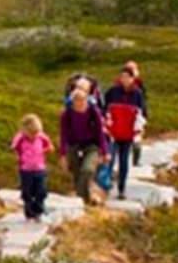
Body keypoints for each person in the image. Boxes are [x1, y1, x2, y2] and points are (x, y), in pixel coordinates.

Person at [58, 85, 108, 204]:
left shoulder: (93, 112)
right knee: (76, 172)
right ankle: (85, 200)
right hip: (74, 144)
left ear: (87, 100)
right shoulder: (67, 114)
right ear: (72, 101)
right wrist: (63, 155)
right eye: (76, 100)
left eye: (82, 100)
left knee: (87, 170)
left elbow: (100, 133)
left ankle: (79, 198)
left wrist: (105, 152)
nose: (80, 103)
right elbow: (63, 135)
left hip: (92, 145)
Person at [101, 68, 146, 200]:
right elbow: (103, 107)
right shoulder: (112, 91)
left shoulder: (137, 94)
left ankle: (122, 188)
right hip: (113, 133)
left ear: (133, 79)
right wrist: (106, 121)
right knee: (110, 159)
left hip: (128, 134)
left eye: (127, 77)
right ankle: (106, 186)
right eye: (122, 77)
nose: (124, 79)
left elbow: (142, 113)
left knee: (124, 161)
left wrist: (139, 130)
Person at [11, 114, 52, 222]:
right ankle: (29, 212)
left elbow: (50, 147)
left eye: (36, 133)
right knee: (27, 192)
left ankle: (39, 210)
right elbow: (14, 148)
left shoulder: (41, 136)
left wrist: (42, 152)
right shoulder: (20, 138)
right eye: (31, 133)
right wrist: (19, 157)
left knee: (41, 191)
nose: (34, 136)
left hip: (39, 168)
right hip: (25, 170)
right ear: (24, 130)